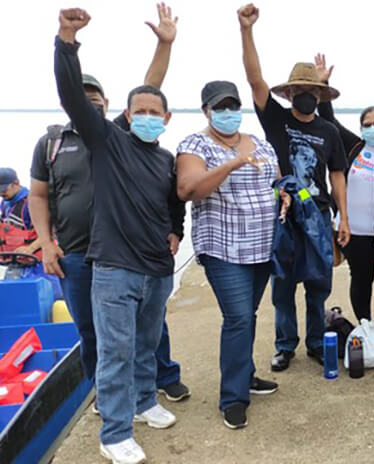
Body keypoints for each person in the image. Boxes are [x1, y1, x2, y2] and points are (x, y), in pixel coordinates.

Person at [28, 2, 191, 405]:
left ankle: (157, 380)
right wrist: (47, 244)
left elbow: (148, 92)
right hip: (78, 251)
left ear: (109, 104)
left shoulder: (117, 135)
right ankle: (106, 396)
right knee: (92, 330)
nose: (91, 103)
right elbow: (38, 195)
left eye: (97, 97)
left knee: (151, 325)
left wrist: (165, 45)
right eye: (83, 98)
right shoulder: (52, 143)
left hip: (127, 253)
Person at [238, 4, 350, 372]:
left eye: (312, 91)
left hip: (318, 213)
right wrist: (247, 31)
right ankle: (285, 345)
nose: (306, 95)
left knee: (319, 283)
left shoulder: (329, 131)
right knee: (282, 285)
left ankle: (317, 342)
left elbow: (337, 174)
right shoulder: (276, 119)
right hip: (283, 212)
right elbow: (255, 80)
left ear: (320, 96)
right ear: (289, 95)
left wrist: (343, 217)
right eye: (299, 90)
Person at [176, 80, 287, 429]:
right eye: (219, 107)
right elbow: (189, 189)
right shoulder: (195, 144)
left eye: (232, 106)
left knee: (249, 314)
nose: (228, 113)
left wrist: (283, 193)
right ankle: (233, 398)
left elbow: (276, 178)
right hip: (223, 248)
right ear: (206, 111)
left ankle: (247, 375)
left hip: (262, 245)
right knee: (238, 317)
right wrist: (232, 164)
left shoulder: (259, 142)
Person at [314, 54, 374, 333]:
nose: (372, 128)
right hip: (354, 230)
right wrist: (324, 86)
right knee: (361, 279)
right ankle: (366, 326)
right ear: (360, 128)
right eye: (367, 124)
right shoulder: (355, 147)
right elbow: (328, 118)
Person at [0, 168, 44, 255]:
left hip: (36, 262)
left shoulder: (32, 203)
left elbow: (49, 233)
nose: (1, 194)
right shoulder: (4, 203)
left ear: (16, 183)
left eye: (3, 190)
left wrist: (30, 248)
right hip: (15, 259)